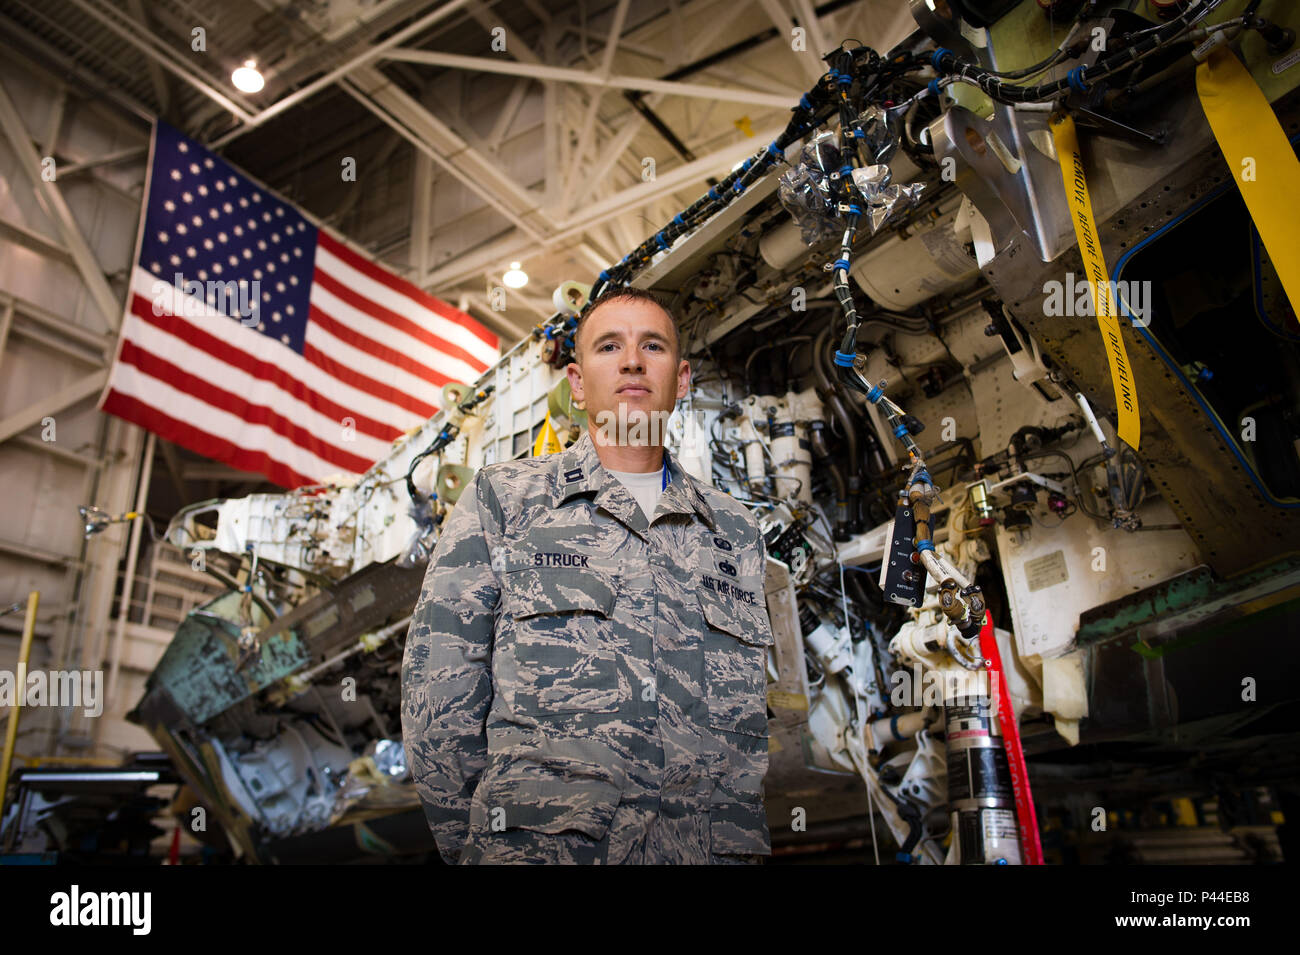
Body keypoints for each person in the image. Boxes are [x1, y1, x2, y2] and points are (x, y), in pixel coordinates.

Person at [401, 287, 774, 864]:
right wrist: (487, 847)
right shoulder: (507, 501)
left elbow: (748, 728)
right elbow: (438, 694)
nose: (631, 361)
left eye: (653, 345)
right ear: (576, 383)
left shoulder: (735, 531)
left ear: (680, 380)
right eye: (609, 346)